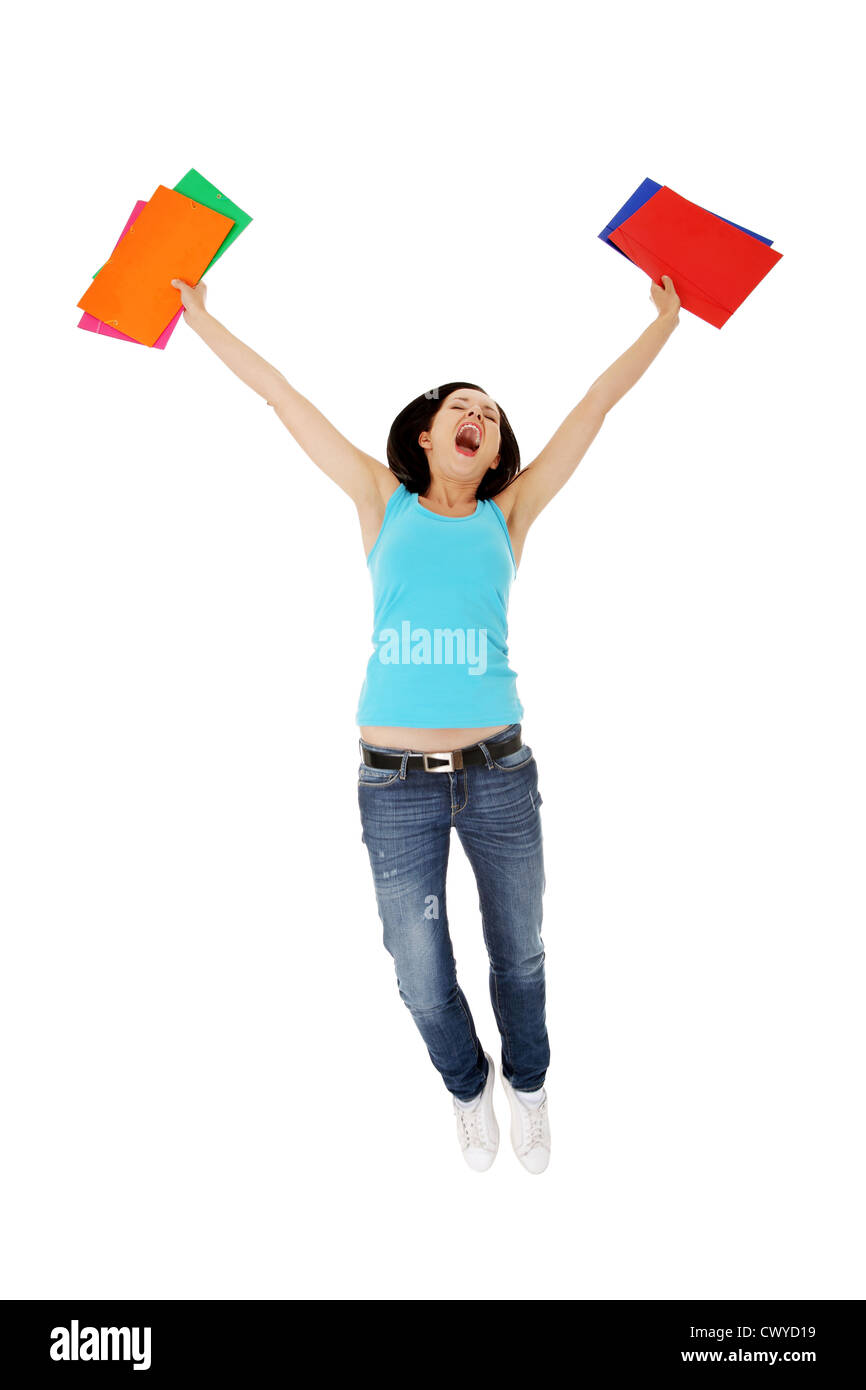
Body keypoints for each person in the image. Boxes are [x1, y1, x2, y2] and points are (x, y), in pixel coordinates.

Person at [170, 271, 682, 1173]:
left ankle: (530, 1084)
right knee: (419, 973)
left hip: (500, 775)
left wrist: (665, 323)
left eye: (490, 415)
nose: (477, 415)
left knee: (520, 956)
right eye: (461, 406)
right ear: (427, 433)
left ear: (494, 454)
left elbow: (595, 407)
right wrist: (201, 319)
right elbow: (281, 396)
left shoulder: (508, 513)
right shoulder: (382, 500)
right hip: (394, 785)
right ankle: (466, 1085)